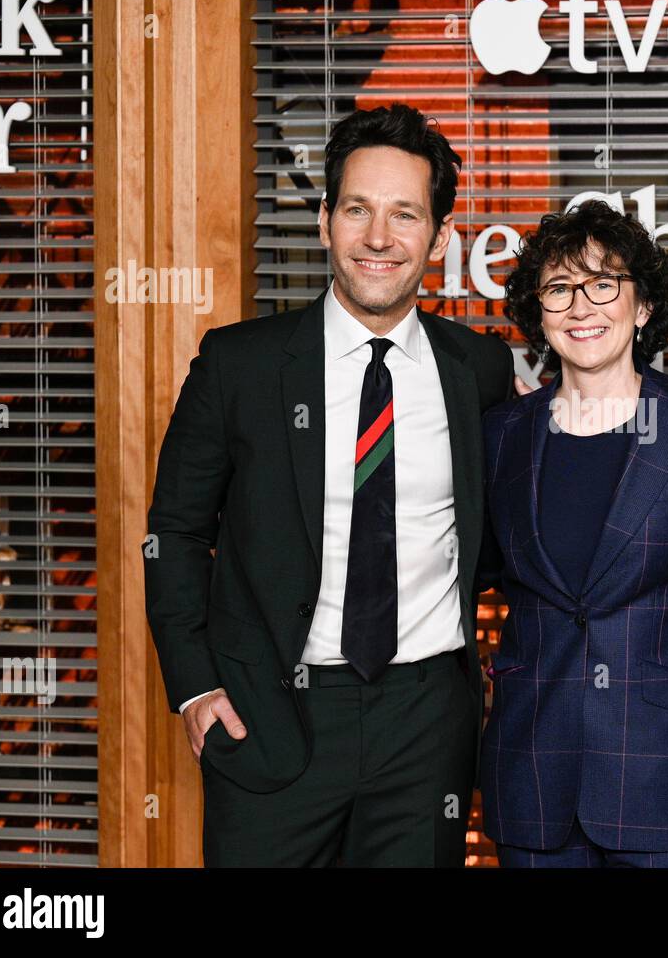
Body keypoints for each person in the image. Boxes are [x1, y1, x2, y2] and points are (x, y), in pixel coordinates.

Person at [143, 105, 514, 866]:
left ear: (438, 238)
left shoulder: (476, 369)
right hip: (270, 717)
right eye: (357, 209)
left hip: (424, 728)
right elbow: (175, 532)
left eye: (405, 214)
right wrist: (195, 689)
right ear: (324, 222)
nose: (379, 238)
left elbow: (504, 530)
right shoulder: (238, 365)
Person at [478, 200, 668, 867]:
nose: (581, 306)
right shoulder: (503, 435)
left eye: (604, 284)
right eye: (559, 288)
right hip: (534, 773)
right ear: (538, 312)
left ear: (644, 306)